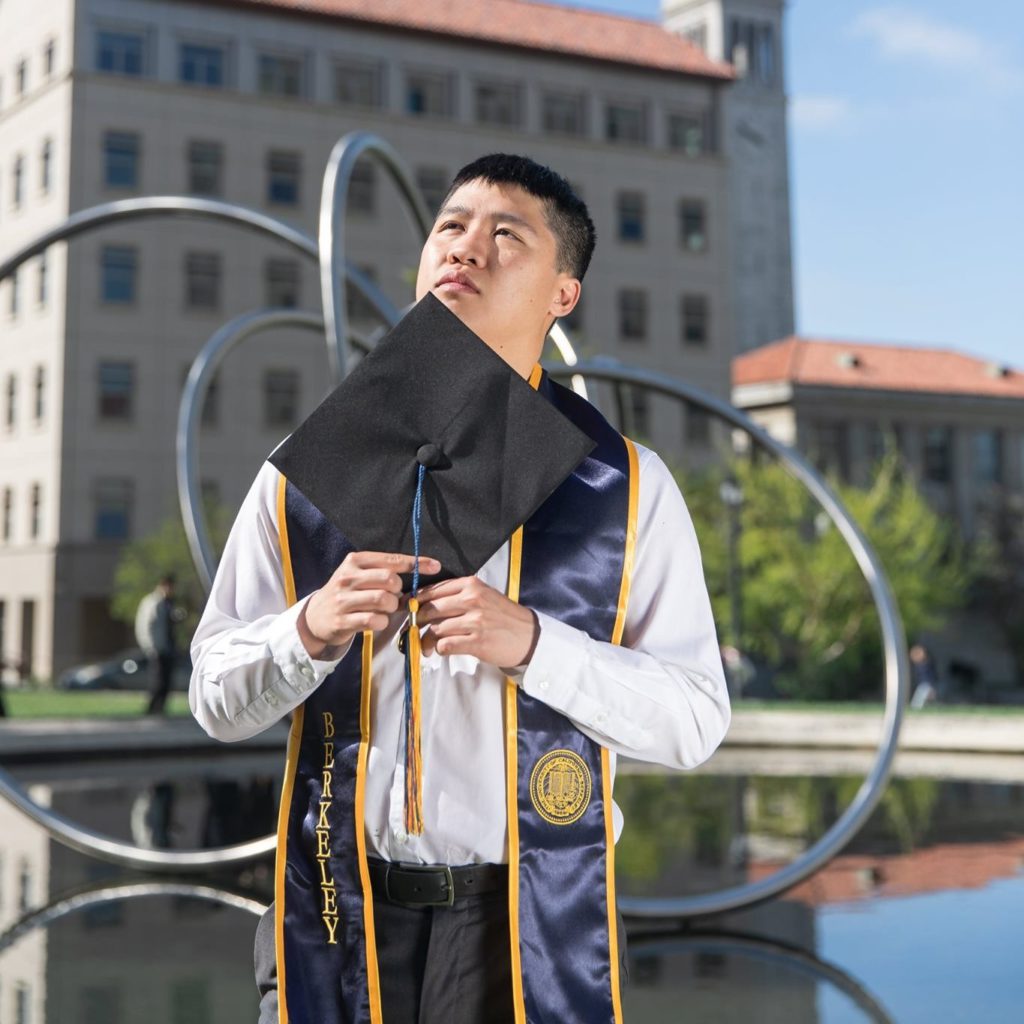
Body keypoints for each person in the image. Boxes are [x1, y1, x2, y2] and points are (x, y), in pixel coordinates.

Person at [190, 155, 730, 1024]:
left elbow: (695, 721)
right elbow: (215, 699)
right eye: (449, 227)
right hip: (334, 912)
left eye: (505, 235)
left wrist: (532, 643)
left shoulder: (625, 488)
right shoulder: (304, 472)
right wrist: (309, 629)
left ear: (563, 294)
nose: (464, 249)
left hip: (520, 925)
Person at [135, 574, 180, 715]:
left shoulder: (169, 603)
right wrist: (150, 646)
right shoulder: (152, 602)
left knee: (166, 680)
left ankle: (161, 708)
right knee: (157, 680)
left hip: (168, 648)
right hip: (157, 649)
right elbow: (144, 626)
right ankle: (152, 708)